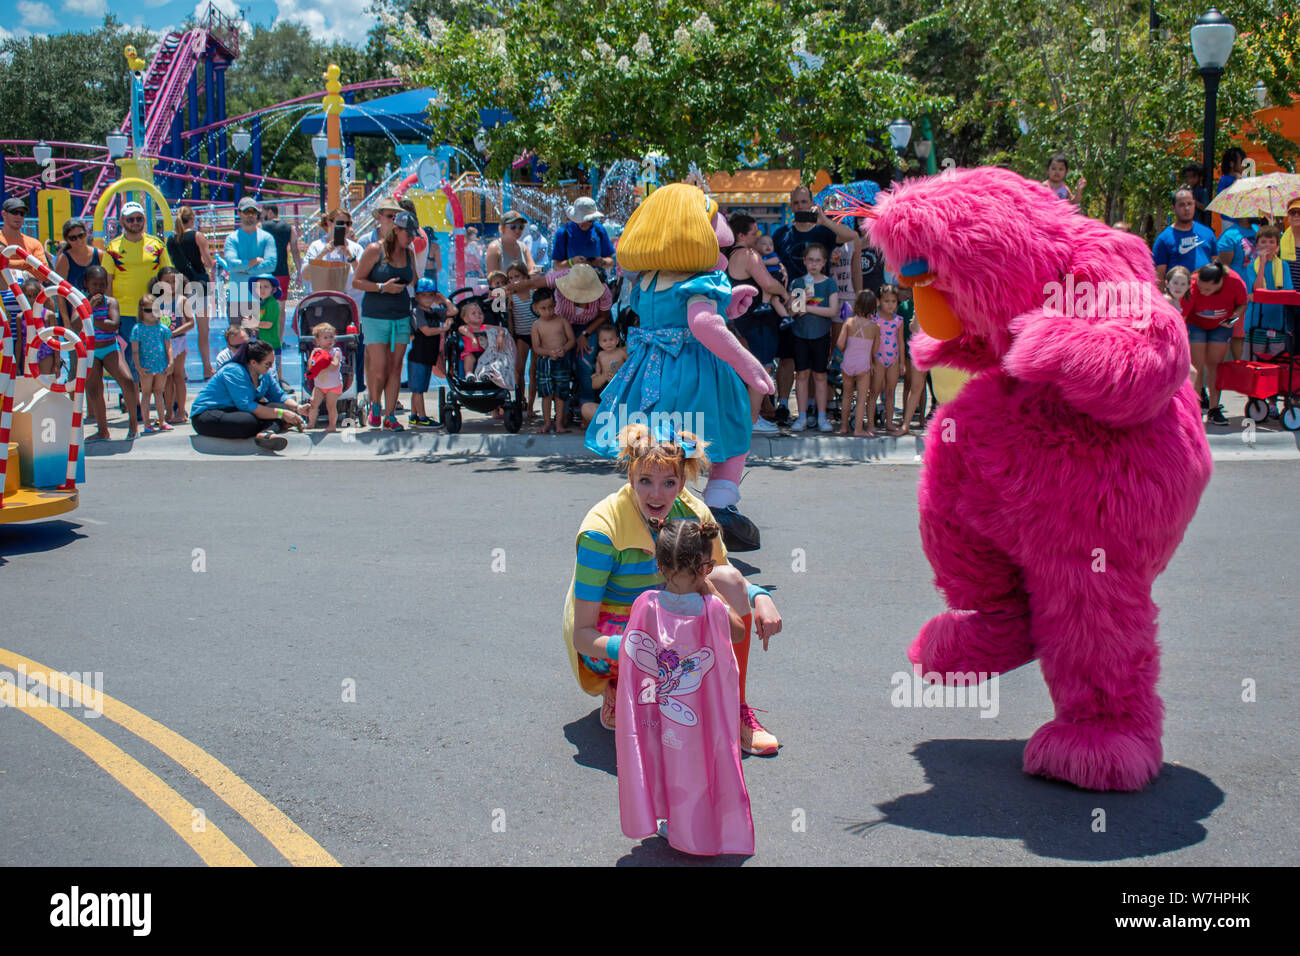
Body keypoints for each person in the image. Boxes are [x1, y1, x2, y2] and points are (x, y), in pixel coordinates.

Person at [564, 423, 783, 755]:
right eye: (646, 481)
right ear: (631, 478)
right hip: (615, 641)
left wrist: (760, 597)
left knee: (730, 581)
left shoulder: (694, 513)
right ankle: (621, 686)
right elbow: (582, 634)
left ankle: (734, 707)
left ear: (682, 483)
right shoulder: (602, 530)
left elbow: (720, 575)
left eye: (669, 483)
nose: (656, 495)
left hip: (665, 625)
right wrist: (636, 649)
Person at [615, 517, 754, 857]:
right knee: (701, 765)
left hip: (660, 710)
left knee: (667, 762)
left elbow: (634, 656)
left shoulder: (645, 605)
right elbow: (738, 631)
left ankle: (669, 822)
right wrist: (710, 588)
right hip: (701, 711)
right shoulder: (711, 608)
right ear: (706, 567)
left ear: (660, 565)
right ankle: (701, 828)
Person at [508, 263, 613, 418]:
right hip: (560, 324)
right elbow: (532, 283)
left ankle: (587, 406)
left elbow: (603, 316)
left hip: (589, 327)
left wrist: (584, 334)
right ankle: (561, 413)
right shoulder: (559, 278)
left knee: (585, 363)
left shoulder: (603, 291)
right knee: (561, 363)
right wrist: (506, 289)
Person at [105, 200, 171, 419]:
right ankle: (135, 404)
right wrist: (109, 309)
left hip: (152, 311)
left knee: (157, 355)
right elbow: (108, 281)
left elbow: (168, 276)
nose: (135, 222)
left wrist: (170, 304)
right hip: (124, 312)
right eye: (130, 219)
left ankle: (161, 403)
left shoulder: (157, 244)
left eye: (139, 218)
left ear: (144, 220)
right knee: (131, 359)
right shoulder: (112, 247)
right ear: (122, 221)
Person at [726, 213, 791, 435]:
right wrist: (784, 292)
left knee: (750, 369)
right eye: (754, 233)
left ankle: (751, 417)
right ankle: (753, 420)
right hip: (756, 321)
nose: (757, 237)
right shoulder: (748, 254)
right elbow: (767, 283)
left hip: (741, 320)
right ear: (742, 235)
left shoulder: (729, 255)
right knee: (761, 368)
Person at [354, 209, 418, 430]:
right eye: (407, 234)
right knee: (379, 366)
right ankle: (375, 403)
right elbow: (357, 281)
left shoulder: (409, 253)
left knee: (396, 367)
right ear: (396, 230)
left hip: (400, 314)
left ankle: (390, 415)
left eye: (413, 235)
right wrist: (383, 287)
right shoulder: (375, 250)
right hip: (375, 315)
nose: (410, 239)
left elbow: (414, 281)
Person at [190, 340, 307, 449]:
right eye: (268, 364)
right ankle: (274, 426)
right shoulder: (234, 371)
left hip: (234, 410)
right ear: (253, 362)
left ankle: (266, 433)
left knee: (282, 407)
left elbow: (279, 395)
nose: (271, 367)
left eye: (272, 363)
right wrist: (282, 415)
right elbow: (246, 406)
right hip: (208, 414)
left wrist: (297, 408)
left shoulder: (265, 373)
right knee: (248, 421)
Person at [1182, 261, 1247, 426]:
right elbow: (1182, 314)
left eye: (1208, 289)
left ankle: (1214, 408)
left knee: (1215, 365)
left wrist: (1234, 319)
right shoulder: (1194, 284)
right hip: (1196, 325)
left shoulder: (1234, 281)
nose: (1203, 292)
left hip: (1221, 325)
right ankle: (1195, 409)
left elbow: (1242, 304)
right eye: (1201, 288)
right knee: (1196, 366)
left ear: (1220, 282)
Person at [80, 265, 139, 441]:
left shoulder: (111, 302)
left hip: (109, 347)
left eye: (102, 284)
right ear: (86, 284)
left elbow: (114, 325)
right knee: (94, 390)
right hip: (91, 350)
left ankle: (133, 425)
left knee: (127, 381)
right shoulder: (81, 302)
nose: (98, 288)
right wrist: (88, 309)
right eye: (94, 284)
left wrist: (89, 318)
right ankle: (103, 430)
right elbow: (75, 326)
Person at [789, 243, 839, 431]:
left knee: (820, 376)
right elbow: (792, 311)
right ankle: (801, 416)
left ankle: (822, 417)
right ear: (804, 261)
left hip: (821, 335)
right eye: (810, 260)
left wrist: (808, 308)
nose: (813, 264)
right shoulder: (798, 283)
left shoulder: (829, 283)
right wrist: (802, 301)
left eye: (818, 260)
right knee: (801, 375)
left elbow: (832, 310)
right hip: (800, 334)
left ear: (824, 262)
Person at [163, 206, 215, 377]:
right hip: (199, 284)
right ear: (192, 219)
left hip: (179, 285)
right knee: (203, 329)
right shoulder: (197, 236)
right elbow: (207, 262)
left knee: (179, 328)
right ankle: (207, 368)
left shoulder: (170, 240)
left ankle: (181, 370)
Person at [222, 197, 276, 329]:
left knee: (256, 343)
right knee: (235, 339)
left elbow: (271, 264)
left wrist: (247, 270)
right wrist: (254, 262)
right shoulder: (232, 239)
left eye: (253, 211)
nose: (250, 215)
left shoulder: (267, 238)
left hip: (259, 298)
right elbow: (232, 265)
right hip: (236, 297)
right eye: (247, 212)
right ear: (239, 213)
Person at [407, 278, 453, 427]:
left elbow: (454, 312)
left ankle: (414, 416)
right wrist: (443, 329)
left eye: (431, 295)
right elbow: (425, 331)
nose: (427, 298)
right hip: (418, 357)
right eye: (423, 295)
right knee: (418, 390)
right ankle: (422, 418)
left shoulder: (435, 311)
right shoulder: (417, 312)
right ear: (417, 297)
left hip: (427, 356)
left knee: (419, 389)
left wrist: (444, 299)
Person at [836, 290, 882, 436]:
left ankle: (843, 426)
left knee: (847, 395)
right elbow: (875, 351)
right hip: (863, 365)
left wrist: (846, 352)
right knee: (862, 398)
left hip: (848, 362)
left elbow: (840, 344)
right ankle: (858, 429)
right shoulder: (875, 327)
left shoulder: (849, 322)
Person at [529, 288, 574, 434]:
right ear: (535, 308)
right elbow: (536, 347)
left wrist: (564, 349)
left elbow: (571, 340)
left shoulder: (562, 321)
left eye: (550, 307)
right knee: (546, 394)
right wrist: (548, 352)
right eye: (543, 308)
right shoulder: (536, 325)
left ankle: (559, 423)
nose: (548, 311)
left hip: (561, 361)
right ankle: (547, 422)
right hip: (545, 362)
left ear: (555, 304)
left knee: (560, 394)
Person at [1245, 224, 1294, 358]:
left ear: (1277, 247)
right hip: (1256, 322)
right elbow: (1257, 291)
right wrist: (1261, 265)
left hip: (1278, 321)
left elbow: (1288, 293)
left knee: (1276, 363)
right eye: (1263, 241)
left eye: (1272, 242)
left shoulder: (1283, 266)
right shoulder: (1251, 267)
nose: (1267, 245)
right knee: (1254, 362)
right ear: (1257, 245)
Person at [1152, 189, 1217, 289]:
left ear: (1194, 205)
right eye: (1182, 205)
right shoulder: (1163, 239)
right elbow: (1159, 276)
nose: (1187, 208)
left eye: (1190, 204)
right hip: (1178, 297)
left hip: (1205, 295)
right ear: (1173, 208)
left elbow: (1215, 266)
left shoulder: (1208, 233)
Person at [154, 266, 194, 425]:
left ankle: (181, 411)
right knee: (167, 379)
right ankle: (168, 412)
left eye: (173, 282)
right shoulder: (157, 302)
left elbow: (191, 323)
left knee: (178, 376)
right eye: (166, 282)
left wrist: (174, 332)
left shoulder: (181, 300)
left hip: (178, 343)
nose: (170, 285)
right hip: (163, 344)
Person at [129, 294, 174, 432]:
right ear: (141, 311)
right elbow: (135, 350)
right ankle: (147, 423)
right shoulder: (138, 329)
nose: (152, 314)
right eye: (148, 311)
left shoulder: (163, 328)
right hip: (145, 365)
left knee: (159, 392)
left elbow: (168, 347)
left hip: (161, 364)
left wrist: (171, 362)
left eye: (155, 310)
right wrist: (138, 366)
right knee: (147, 393)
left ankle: (162, 421)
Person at [505, 262, 539, 418]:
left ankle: (531, 406)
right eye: (510, 278)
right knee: (518, 370)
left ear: (526, 277)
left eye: (517, 277)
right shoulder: (511, 297)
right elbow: (510, 320)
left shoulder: (534, 294)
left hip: (537, 336)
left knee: (534, 372)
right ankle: (520, 401)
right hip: (521, 336)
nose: (514, 281)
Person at [872, 284, 905, 429]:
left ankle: (890, 423)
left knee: (891, 392)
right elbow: (871, 341)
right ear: (879, 301)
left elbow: (901, 342)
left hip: (894, 359)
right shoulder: (874, 319)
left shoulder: (899, 320)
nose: (890, 304)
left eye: (893, 301)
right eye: (887, 301)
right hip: (878, 357)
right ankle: (871, 424)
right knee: (874, 391)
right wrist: (871, 360)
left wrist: (902, 363)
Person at [552, 196, 615, 270]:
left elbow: (611, 262)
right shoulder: (563, 233)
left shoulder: (599, 230)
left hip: (596, 279)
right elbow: (556, 266)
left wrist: (602, 262)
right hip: (571, 280)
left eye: (589, 220)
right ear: (575, 218)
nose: (586, 223)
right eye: (582, 220)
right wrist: (572, 262)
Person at [305, 322, 345, 432]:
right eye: (325, 337)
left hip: (334, 386)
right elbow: (310, 365)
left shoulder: (335, 351)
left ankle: (332, 425)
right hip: (319, 386)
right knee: (313, 402)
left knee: (330, 406)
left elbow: (334, 366)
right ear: (317, 341)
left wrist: (324, 361)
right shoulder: (316, 352)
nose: (329, 340)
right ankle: (311, 423)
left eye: (331, 337)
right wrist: (316, 359)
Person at [259, 203, 302, 301]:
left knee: (263, 306)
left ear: (269, 212)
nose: (261, 216)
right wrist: (299, 271)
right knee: (281, 306)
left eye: (263, 213)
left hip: (264, 271)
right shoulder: (289, 228)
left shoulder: (261, 226)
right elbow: (295, 250)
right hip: (282, 271)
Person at [250, 276, 285, 383]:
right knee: (265, 370)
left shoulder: (272, 303)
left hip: (272, 345)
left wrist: (254, 323)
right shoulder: (263, 304)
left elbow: (268, 324)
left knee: (272, 370)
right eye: (259, 287)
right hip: (263, 344)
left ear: (273, 289)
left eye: (266, 287)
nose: (262, 290)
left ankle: (278, 385)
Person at [485, 210, 537, 276]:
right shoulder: (494, 248)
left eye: (521, 227)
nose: (517, 230)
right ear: (503, 228)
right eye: (513, 227)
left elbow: (533, 270)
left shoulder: (524, 247)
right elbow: (493, 279)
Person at [1180, 162, 1212, 228]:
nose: (1190, 179)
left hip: (1198, 224)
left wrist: (1192, 199)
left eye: (1193, 177)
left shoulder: (1202, 191)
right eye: (1188, 177)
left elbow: (1205, 207)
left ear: (1200, 177)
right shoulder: (1187, 190)